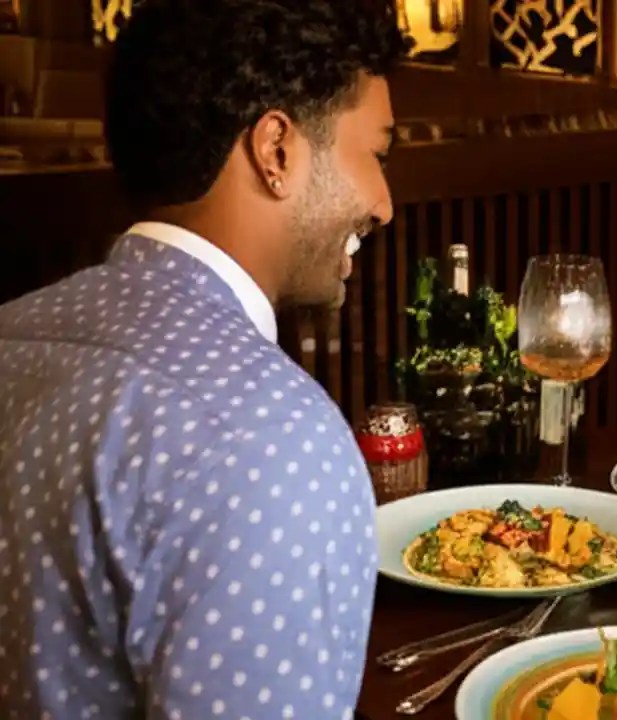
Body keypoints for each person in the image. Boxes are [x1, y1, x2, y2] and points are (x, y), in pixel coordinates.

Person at [0, 1, 410, 717]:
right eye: (376, 153)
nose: (383, 204)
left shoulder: (13, 329)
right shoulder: (268, 441)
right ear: (276, 149)